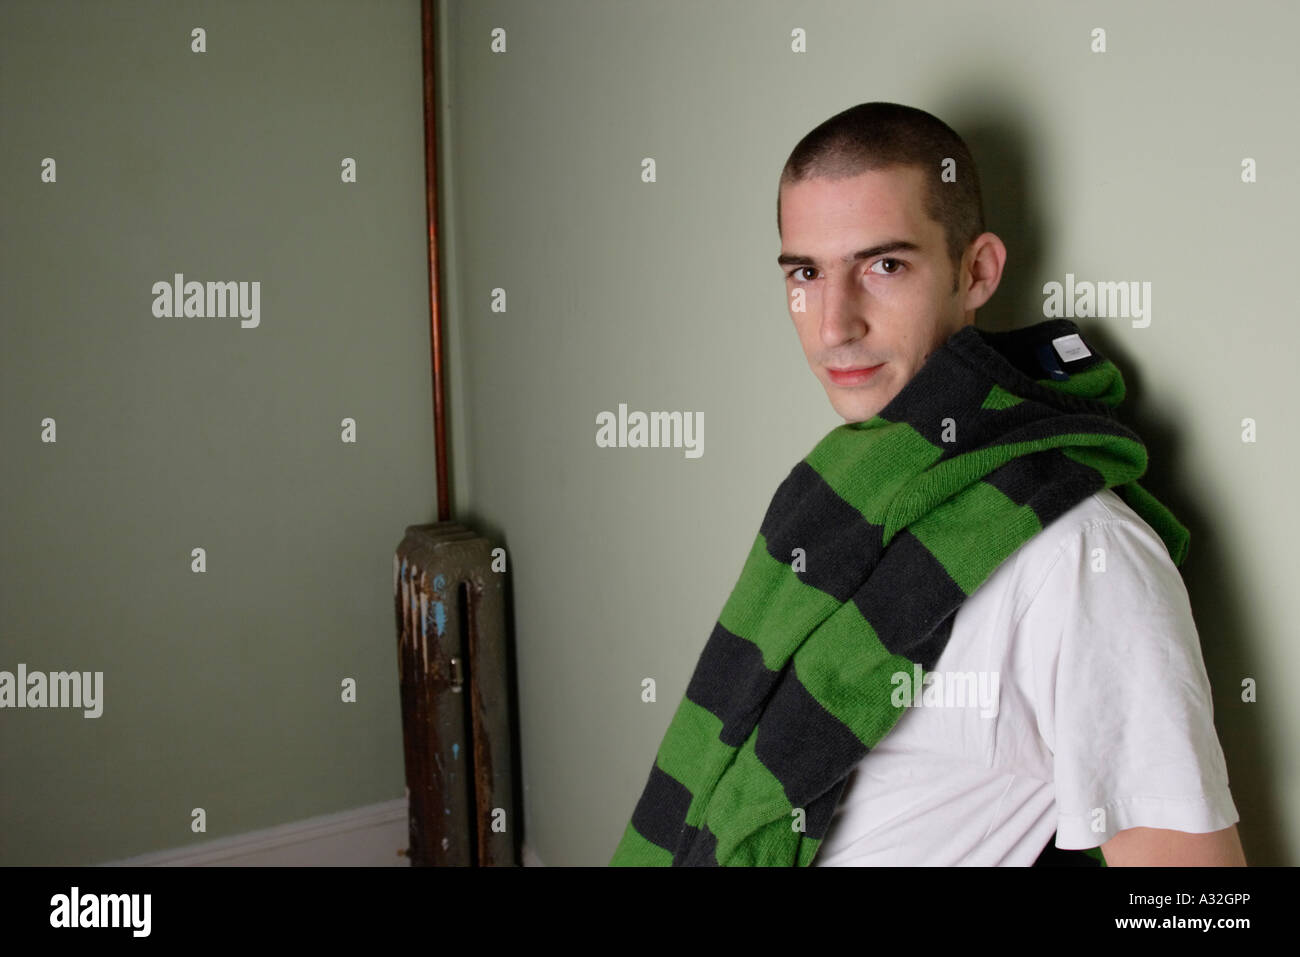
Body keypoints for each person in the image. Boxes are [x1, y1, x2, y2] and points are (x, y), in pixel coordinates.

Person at [612, 102, 1244, 867]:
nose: (834, 322)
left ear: (975, 270)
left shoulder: (1082, 558)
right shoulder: (844, 490)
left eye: (883, 265)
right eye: (806, 273)